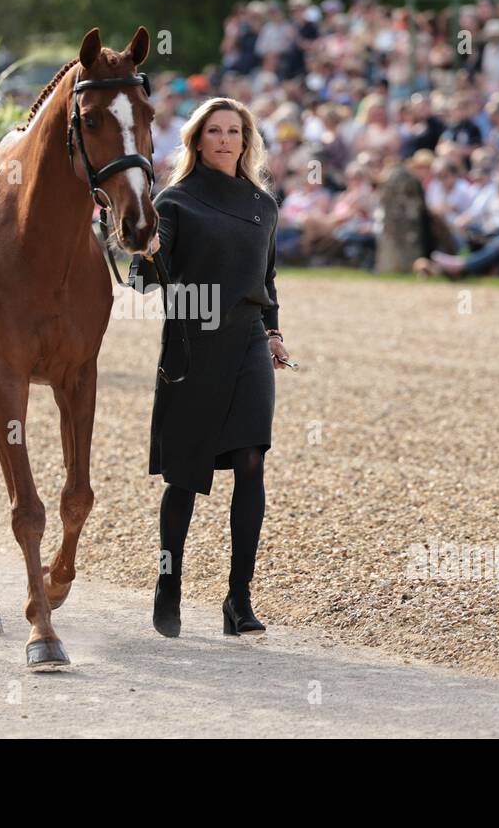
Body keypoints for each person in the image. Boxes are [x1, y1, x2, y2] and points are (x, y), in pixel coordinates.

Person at [127, 97, 291, 640]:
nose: (224, 139)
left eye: (234, 131)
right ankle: (168, 584)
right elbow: (145, 282)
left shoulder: (263, 204)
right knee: (186, 475)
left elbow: (266, 281)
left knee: (250, 461)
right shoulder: (174, 202)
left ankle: (238, 599)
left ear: (247, 142)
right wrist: (147, 250)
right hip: (192, 344)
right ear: (197, 141)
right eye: (213, 131)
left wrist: (273, 332)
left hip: (247, 342)